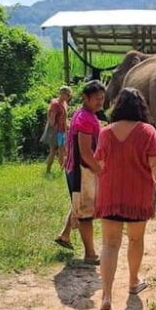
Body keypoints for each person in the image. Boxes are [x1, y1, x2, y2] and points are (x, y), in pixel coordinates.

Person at [93, 88, 156, 310]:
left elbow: (100, 161)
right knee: (135, 240)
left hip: (110, 194)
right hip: (137, 196)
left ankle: (106, 298)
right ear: (141, 107)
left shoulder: (105, 132)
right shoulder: (147, 131)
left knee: (109, 245)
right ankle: (133, 282)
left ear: (117, 106)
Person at [53, 81, 105, 265]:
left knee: (81, 204)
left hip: (79, 169)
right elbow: (85, 152)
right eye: (97, 98)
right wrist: (100, 171)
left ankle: (65, 235)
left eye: (102, 98)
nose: (101, 102)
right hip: (82, 170)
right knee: (86, 213)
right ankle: (90, 254)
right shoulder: (84, 118)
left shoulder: (85, 114)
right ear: (85, 97)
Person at [42, 86, 72, 175]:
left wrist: (68, 125)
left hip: (62, 130)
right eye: (67, 95)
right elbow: (51, 120)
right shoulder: (55, 104)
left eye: (69, 95)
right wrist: (54, 132)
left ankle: (60, 170)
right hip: (56, 131)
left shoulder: (64, 103)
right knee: (55, 150)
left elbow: (64, 118)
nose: (69, 97)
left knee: (61, 150)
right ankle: (50, 170)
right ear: (62, 93)